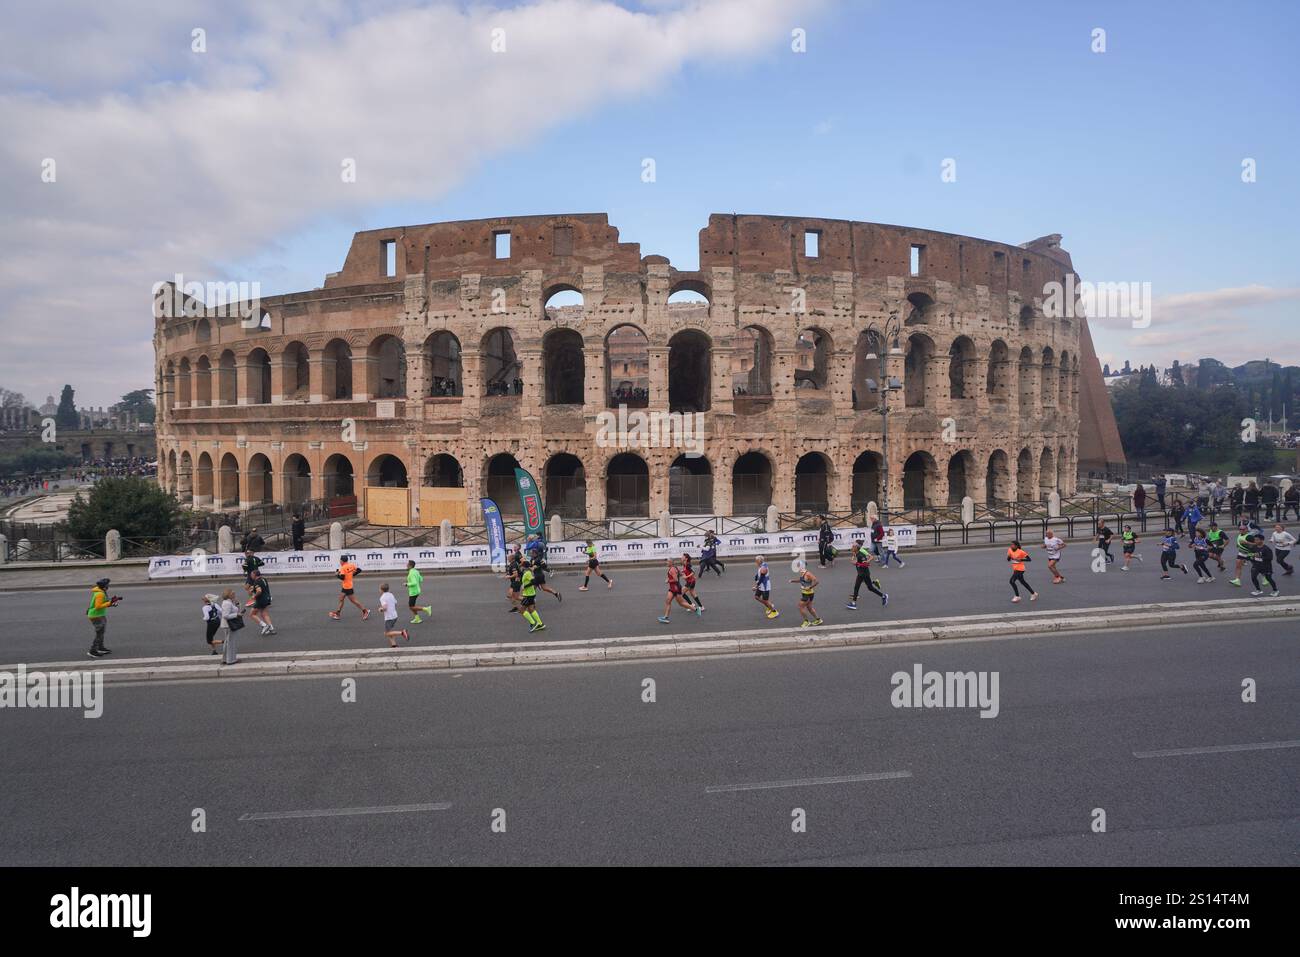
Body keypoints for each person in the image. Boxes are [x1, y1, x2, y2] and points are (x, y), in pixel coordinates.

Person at [845, 538, 887, 609]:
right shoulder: (856, 553)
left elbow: (865, 565)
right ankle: (854, 603)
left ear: (856, 548)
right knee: (859, 587)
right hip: (860, 573)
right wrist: (855, 562)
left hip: (864, 574)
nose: (851, 547)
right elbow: (857, 562)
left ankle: (883, 595)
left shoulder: (861, 555)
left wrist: (857, 563)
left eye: (853, 546)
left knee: (868, 588)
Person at [658, 557, 701, 623]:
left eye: (667, 562)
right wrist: (684, 576)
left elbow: (676, 580)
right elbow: (681, 574)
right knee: (668, 601)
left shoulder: (672, 569)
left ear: (671, 562)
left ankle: (696, 609)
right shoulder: (675, 567)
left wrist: (668, 580)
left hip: (676, 588)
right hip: (673, 588)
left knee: (681, 603)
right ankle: (665, 617)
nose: (666, 563)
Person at [86, 577, 120, 658]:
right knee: (99, 633)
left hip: (99, 615)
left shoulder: (101, 592)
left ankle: (100, 648)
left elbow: (103, 602)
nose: (108, 586)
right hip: (96, 615)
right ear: (104, 586)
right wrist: (109, 603)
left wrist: (112, 603)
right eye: (107, 585)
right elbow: (98, 606)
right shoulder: (100, 594)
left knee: (101, 632)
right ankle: (93, 651)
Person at [330, 554, 370, 620]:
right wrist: (351, 575)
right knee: (341, 599)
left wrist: (336, 575)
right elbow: (359, 570)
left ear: (342, 561)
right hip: (347, 585)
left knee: (353, 600)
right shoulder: (351, 565)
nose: (339, 562)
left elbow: (342, 577)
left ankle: (365, 611)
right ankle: (338, 613)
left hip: (347, 587)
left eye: (340, 560)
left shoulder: (343, 567)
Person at [525, 536, 562, 602]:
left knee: (532, 588)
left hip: (538, 576)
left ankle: (531, 600)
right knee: (544, 588)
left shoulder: (536, 560)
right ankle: (556, 593)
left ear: (534, 553)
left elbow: (533, 569)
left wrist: (527, 566)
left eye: (531, 553)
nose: (530, 553)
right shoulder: (534, 559)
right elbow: (542, 566)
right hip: (540, 575)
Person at [518, 559, 547, 633]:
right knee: (531, 609)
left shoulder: (527, 573)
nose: (521, 567)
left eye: (522, 566)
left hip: (529, 595)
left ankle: (533, 623)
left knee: (522, 610)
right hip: (530, 594)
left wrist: (525, 586)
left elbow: (534, 581)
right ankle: (540, 624)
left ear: (524, 567)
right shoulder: (527, 572)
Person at [247, 569, 276, 635]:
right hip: (267, 598)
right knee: (264, 613)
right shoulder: (263, 579)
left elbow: (259, 591)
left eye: (251, 574)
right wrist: (252, 588)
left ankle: (264, 625)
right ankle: (271, 628)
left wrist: (254, 596)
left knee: (252, 614)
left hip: (261, 600)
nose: (251, 576)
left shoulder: (257, 581)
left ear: (254, 575)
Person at [218, 588, 242, 665]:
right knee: (231, 643)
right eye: (233, 593)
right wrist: (237, 615)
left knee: (227, 642)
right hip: (229, 625)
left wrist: (237, 605)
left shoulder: (229, 602)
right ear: (229, 595)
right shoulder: (227, 603)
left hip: (228, 625)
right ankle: (231, 660)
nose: (234, 594)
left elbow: (234, 610)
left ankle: (225, 659)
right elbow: (225, 615)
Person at [505, 545, 524, 613]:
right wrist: (508, 574)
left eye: (508, 558)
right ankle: (516, 608)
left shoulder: (513, 564)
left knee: (517, 597)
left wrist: (508, 577)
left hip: (516, 582)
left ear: (512, 559)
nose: (508, 558)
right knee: (511, 596)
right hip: (514, 582)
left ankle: (529, 601)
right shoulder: (513, 563)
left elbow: (515, 574)